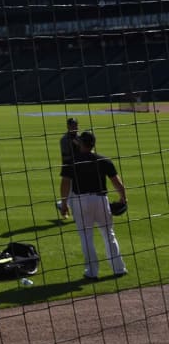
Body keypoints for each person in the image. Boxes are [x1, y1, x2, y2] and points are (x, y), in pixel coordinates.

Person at [59, 130, 128, 280]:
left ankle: (92, 272)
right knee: (109, 234)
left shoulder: (71, 161)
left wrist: (64, 203)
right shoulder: (104, 160)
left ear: (80, 143)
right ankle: (119, 269)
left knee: (86, 237)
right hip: (101, 200)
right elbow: (117, 182)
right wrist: (123, 198)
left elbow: (65, 183)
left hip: (81, 202)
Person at [55, 117, 80, 220]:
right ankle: (64, 206)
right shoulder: (64, 140)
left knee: (75, 190)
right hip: (69, 167)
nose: (74, 127)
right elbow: (66, 156)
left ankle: (62, 204)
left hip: (80, 166)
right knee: (72, 189)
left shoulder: (81, 137)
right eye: (72, 125)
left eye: (76, 125)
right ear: (68, 126)